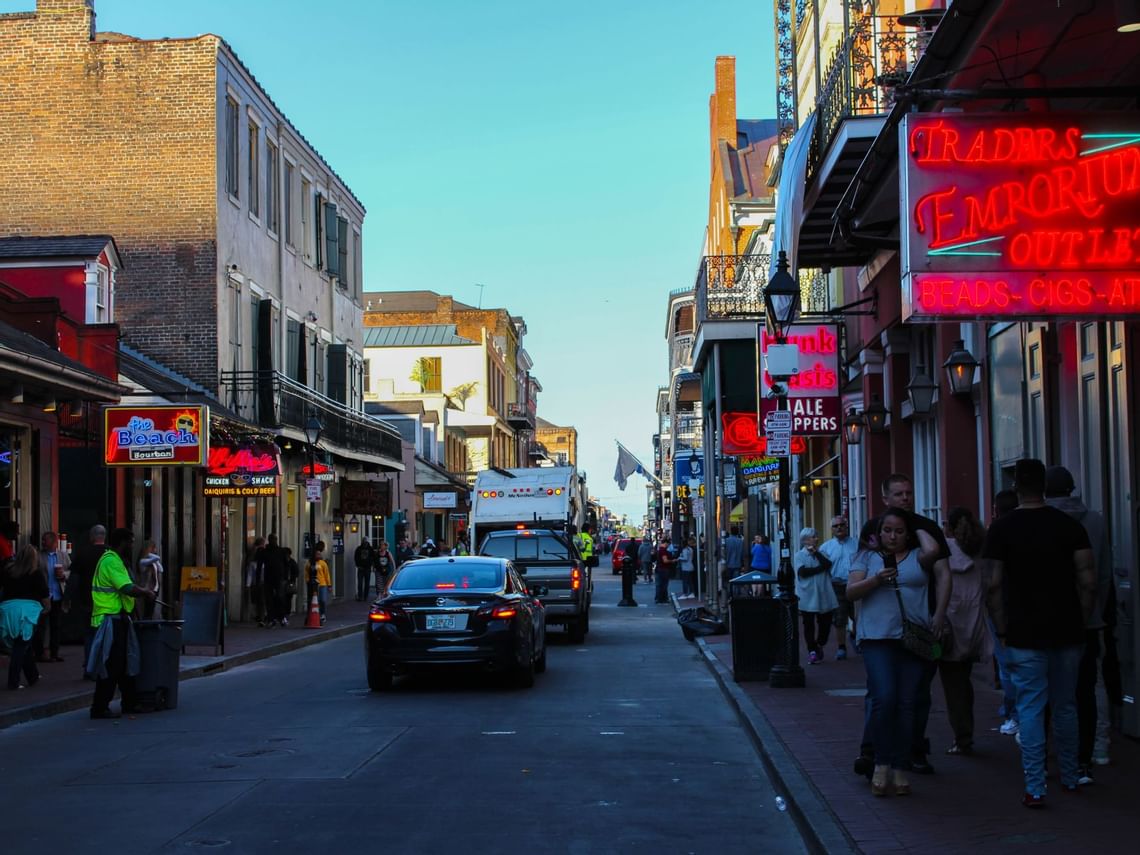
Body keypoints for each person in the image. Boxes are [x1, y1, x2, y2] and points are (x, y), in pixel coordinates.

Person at [983, 458, 1096, 807]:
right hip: (1067, 630)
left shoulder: (1002, 529)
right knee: (1066, 706)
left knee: (1031, 708)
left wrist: (1001, 629)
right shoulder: (1070, 527)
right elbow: (1088, 582)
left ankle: (1035, 785)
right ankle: (1072, 775)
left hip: (1023, 632)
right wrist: (1082, 619)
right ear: (1044, 487)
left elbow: (993, 586)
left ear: (1016, 486)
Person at [857, 473, 952, 776]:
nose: (905, 499)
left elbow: (942, 572)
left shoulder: (926, 528)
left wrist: (940, 614)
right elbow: (859, 575)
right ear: (885, 498)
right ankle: (873, 750)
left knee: (917, 693)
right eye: (898, 494)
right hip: (880, 628)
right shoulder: (874, 530)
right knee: (881, 693)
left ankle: (913, 750)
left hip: (921, 626)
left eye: (909, 493)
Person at [847, 509, 941, 796]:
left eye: (899, 531)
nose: (893, 536)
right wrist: (875, 580)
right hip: (877, 638)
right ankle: (881, 762)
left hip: (912, 639)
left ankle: (900, 766)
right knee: (884, 698)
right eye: (887, 530)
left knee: (907, 704)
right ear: (879, 532)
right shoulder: (867, 558)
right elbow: (851, 592)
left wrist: (916, 523)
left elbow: (935, 550)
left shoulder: (918, 558)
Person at [1045, 464, 1115, 780]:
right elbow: (1102, 573)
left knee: (1048, 690)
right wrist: (1096, 610)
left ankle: (1049, 755)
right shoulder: (1096, 521)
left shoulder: (1042, 521)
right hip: (1089, 619)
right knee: (1087, 688)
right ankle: (1092, 751)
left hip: (1048, 619)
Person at [938, 507, 991, 756]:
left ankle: (962, 735)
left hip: (949, 622)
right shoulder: (979, 549)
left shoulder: (943, 550)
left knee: (953, 685)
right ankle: (965, 733)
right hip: (973, 622)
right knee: (964, 682)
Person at [88, 528, 155, 719]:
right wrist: (145, 593)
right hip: (109, 618)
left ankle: (130, 702)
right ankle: (99, 706)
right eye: (131, 542)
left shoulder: (116, 560)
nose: (133, 545)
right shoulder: (111, 561)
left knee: (125, 661)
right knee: (112, 664)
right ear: (122, 542)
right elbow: (126, 587)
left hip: (120, 617)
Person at [990, 489, 1020, 737]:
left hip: (1005, 609)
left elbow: (994, 582)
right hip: (1030, 608)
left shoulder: (997, 532)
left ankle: (1014, 714)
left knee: (1008, 666)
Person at [1, 544, 48, 690]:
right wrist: (47, 608)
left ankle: (32, 676)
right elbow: (44, 595)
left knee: (23, 643)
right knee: (21, 645)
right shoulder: (36, 573)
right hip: (28, 611)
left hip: (8, 609)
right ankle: (13, 681)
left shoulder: (8, 571)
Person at [64, 524, 107, 679]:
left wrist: (67, 598)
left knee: (89, 635)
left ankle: (89, 667)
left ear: (91, 537)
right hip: (106, 603)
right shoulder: (110, 554)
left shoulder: (82, 554)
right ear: (104, 537)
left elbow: (74, 578)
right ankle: (101, 667)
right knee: (104, 636)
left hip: (86, 601)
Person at [794, 527, 839, 664]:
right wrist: (821, 569)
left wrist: (817, 554)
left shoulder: (822, 553)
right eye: (813, 537)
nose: (816, 539)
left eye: (816, 536)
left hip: (823, 592)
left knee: (825, 623)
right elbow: (803, 572)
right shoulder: (799, 555)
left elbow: (828, 564)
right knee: (808, 624)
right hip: (807, 594)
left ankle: (819, 643)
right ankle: (812, 650)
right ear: (806, 540)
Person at [820, 516, 858, 660]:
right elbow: (822, 568)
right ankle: (842, 647)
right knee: (839, 619)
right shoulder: (826, 547)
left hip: (854, 584)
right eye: (836, 526)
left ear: (846, 526)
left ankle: (856, 637)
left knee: (858, 616)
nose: (839, 528)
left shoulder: (856, 544)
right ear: (832, 529)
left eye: (842, 525)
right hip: (836, 586)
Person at [34, 531, 70, 662]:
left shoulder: (63, 556)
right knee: (40, 626)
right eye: (42, 540)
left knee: (56, 626)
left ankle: (55, 653)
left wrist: (64, 575)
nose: (43, 542)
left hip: (57, 595)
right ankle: (39, 653)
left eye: (45, 540)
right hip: (44, 597)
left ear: (54, 542)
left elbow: (70, 571)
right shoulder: (38, 556)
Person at [259, 534, 287, 627]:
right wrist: (258, 578)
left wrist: (286, 577)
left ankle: (281, 617)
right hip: (269, 578)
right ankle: (272, 618)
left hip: (278, 577)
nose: (273, 541)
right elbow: (260, 565)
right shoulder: (265, 551)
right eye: (272, 539)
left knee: (279, 597)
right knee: (269, 599)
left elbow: (286, 564)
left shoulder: (281, 551)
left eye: (275, 539)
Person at [136, 539, 163, 621]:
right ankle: (145, 626)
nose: (155, 550)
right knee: (147, 610)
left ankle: (147, 624)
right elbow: (157, 557)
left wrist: (152, 557)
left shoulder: (152, 562)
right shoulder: (143, 561)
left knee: (151, 610)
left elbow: (161, 569)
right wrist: (149, 554)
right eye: (153, 548)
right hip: (147, 589)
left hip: (155, 589)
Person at [308, 542, 331, 625]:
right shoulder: (310, 563)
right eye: (316, 554)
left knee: (323, 600)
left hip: (323, 584)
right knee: (314, 600)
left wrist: (329, 585)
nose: (318, 555)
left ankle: (323, 614)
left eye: (319, 554)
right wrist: (308, 580)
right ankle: (316, 615)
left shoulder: (323, 564)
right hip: (314, 584)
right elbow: (307, 572)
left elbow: (327, 574)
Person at [246, 536, 266, 625]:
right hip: (261, 583)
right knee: (261, 600)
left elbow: (250, 575)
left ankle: (259, 615)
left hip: (256, 583)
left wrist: (248, 584)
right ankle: (261, 615)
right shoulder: (263, 563)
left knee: (256, 600)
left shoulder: (252, 563)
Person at [723, 526, 744, 593]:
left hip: (728, 563)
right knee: (737, 580)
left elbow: (724, 552)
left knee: (728, 580)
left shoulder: (726, 541)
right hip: (737, 563)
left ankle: (730, 594)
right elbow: (742, 553)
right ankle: (737, 594)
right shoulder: (740, 541)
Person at [654, 538, 675, 604]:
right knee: (664, 585)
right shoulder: (663, 551)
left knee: (659, 584)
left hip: (659, 569)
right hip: (664, 569)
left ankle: (659, 598)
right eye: (669, 544)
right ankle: (662, 599)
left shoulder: (659, 550)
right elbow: (665, 560)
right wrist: (672, 561)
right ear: (666, 543)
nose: (669, 546)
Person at [281, 547, 300, 623]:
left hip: (289, 583)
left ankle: (286, 613)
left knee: (288, 599)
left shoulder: (292, 562)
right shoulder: (284, 562)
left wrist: (292, 579)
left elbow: (296, 572)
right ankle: (284, 614)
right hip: (283, 582)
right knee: (283, 599)